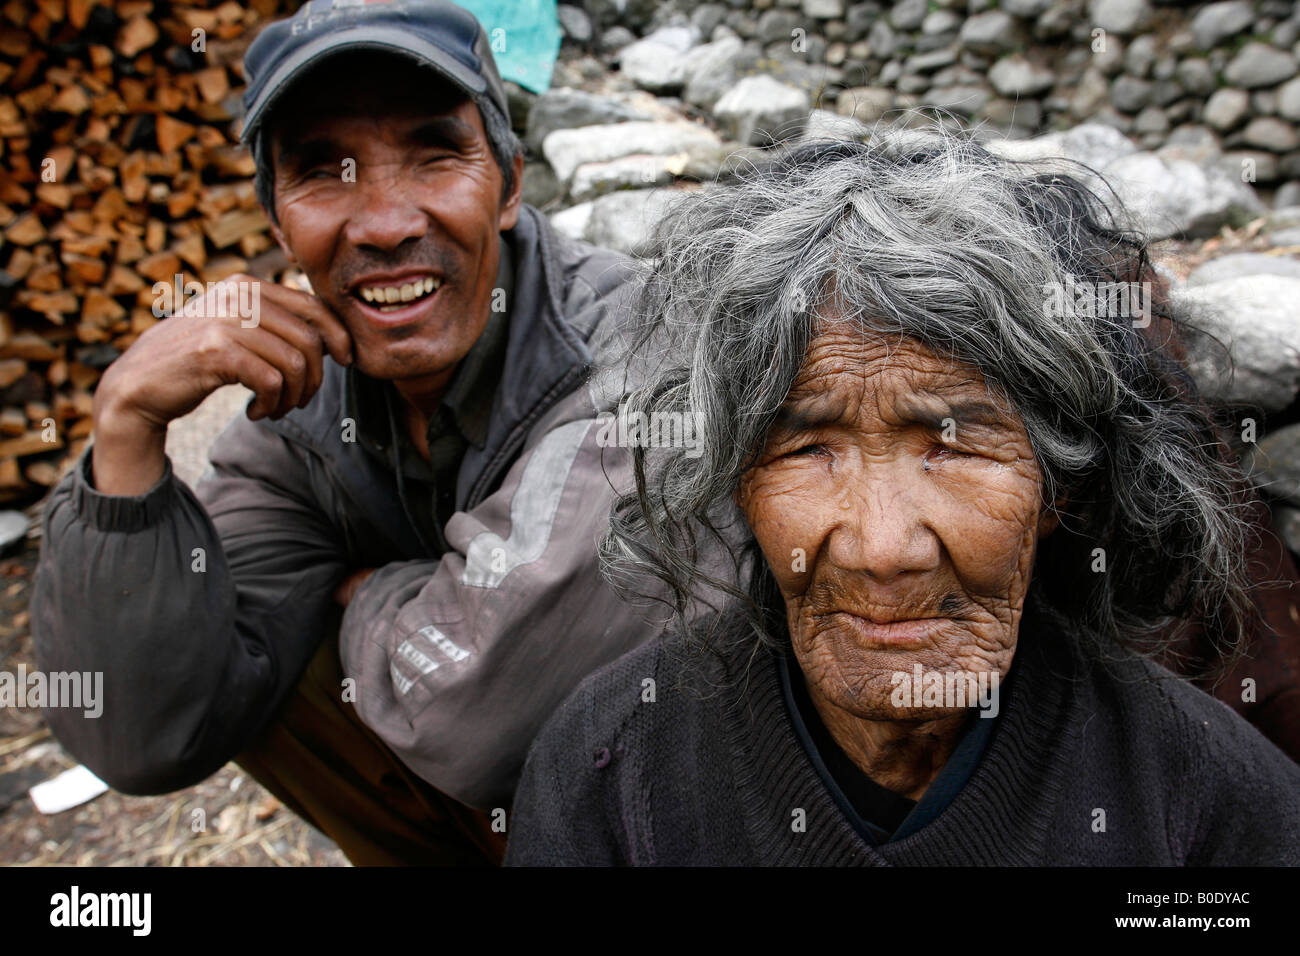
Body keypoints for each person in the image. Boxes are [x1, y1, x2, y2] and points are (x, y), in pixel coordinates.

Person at [504, 131, 1300, 866]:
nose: (883, 549)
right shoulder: (609, 769)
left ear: (1057, 484)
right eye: (809, 446)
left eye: (952, 446)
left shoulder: (1210, 809)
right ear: (736, 480)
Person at [30, 0, 663, 866]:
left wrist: (367, 595)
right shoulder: (300, 420)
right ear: (277, 220)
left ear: (510, 185)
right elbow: (139, 732)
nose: (385, 222)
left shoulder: (631, 344)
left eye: (435, 155)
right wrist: (125, 431)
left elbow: (487, 717)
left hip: (685, 824)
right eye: (325, 171)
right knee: (226, 642)